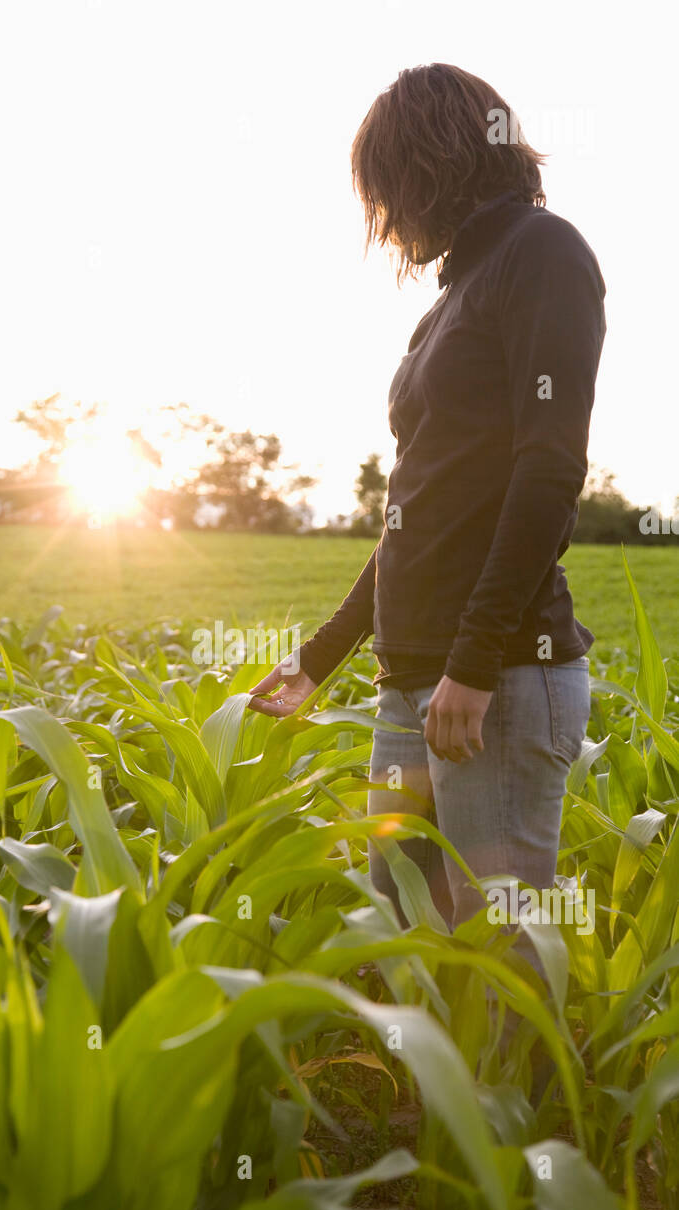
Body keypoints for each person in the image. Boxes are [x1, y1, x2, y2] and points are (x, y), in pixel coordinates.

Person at [249, 63, 606, 937]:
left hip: (498, 682)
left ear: (431, 167)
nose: (387, 217)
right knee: (403, 939)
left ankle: (518, 1084)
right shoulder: (451, 299)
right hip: (412, 682)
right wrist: (321, 657)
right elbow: (421, 507)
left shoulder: (543, 253)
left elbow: (548, 469)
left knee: (496, 959)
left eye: (388, 188)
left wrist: (477, 661)